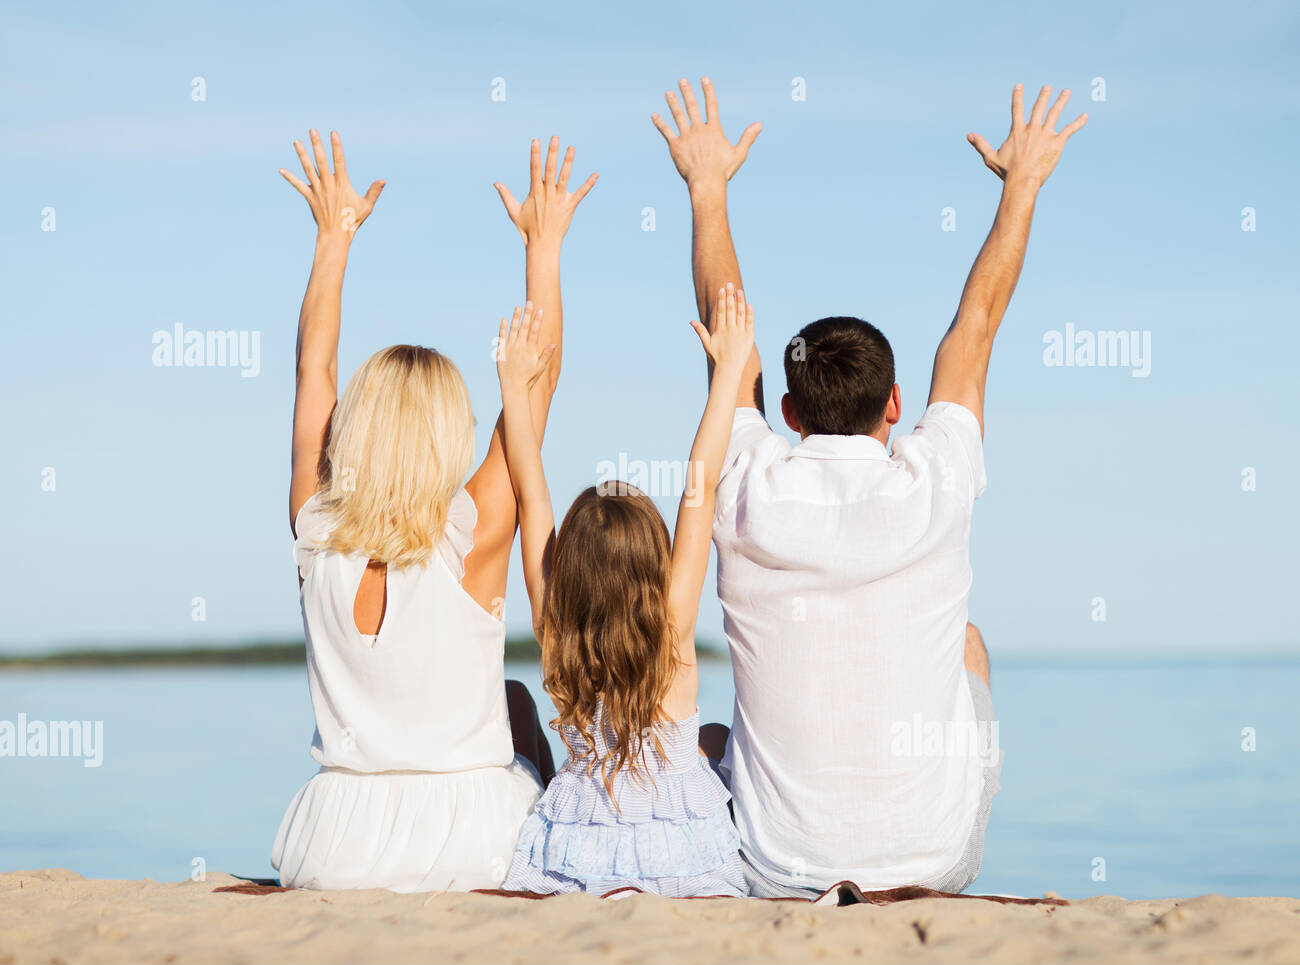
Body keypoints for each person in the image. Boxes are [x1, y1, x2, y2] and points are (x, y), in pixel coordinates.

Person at [654, 78, 1087, 897]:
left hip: (773, 866)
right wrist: (1022, 185)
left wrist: (705, 189)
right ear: (897, 404)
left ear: (786, 409)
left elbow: (727, 337)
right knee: (966, 641)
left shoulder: (747, 481)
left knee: (711, 736)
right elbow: (977, 325)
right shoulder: (937, 479)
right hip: (934, 863)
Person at [270, 130, 594, 892]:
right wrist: (543, 247)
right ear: (448, 435)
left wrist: (334, 235)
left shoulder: (314, 529)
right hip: (474, 837)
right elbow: (537, 386)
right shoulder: (469, 536)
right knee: (517, 704)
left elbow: (312, 366)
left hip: (338, 839)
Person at [497, 286, 752, 897]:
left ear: (572, 569)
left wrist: (513, 385)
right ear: (654, 559)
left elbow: (532, 501)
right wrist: (729, 372)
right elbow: (701, 484)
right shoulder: (673, 625)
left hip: (578, 846)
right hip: (684, 858)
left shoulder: (554, 626)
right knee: (714, 738)